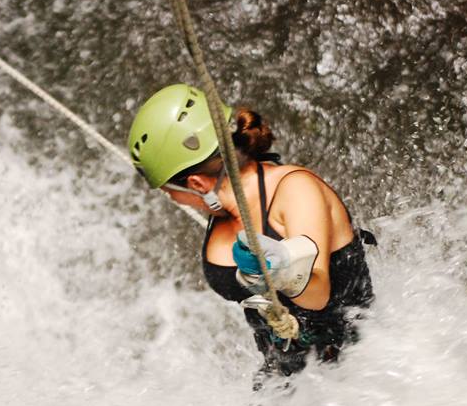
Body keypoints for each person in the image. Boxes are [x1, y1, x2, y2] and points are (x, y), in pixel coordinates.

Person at [127, 83, 374, 380]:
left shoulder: (294, 190)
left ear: (196, 184)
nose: (172, 199)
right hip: (284, 375)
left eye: (170, 192)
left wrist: (280, 269)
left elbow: (318, 294)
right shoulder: (221, 211)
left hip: (354, 366)